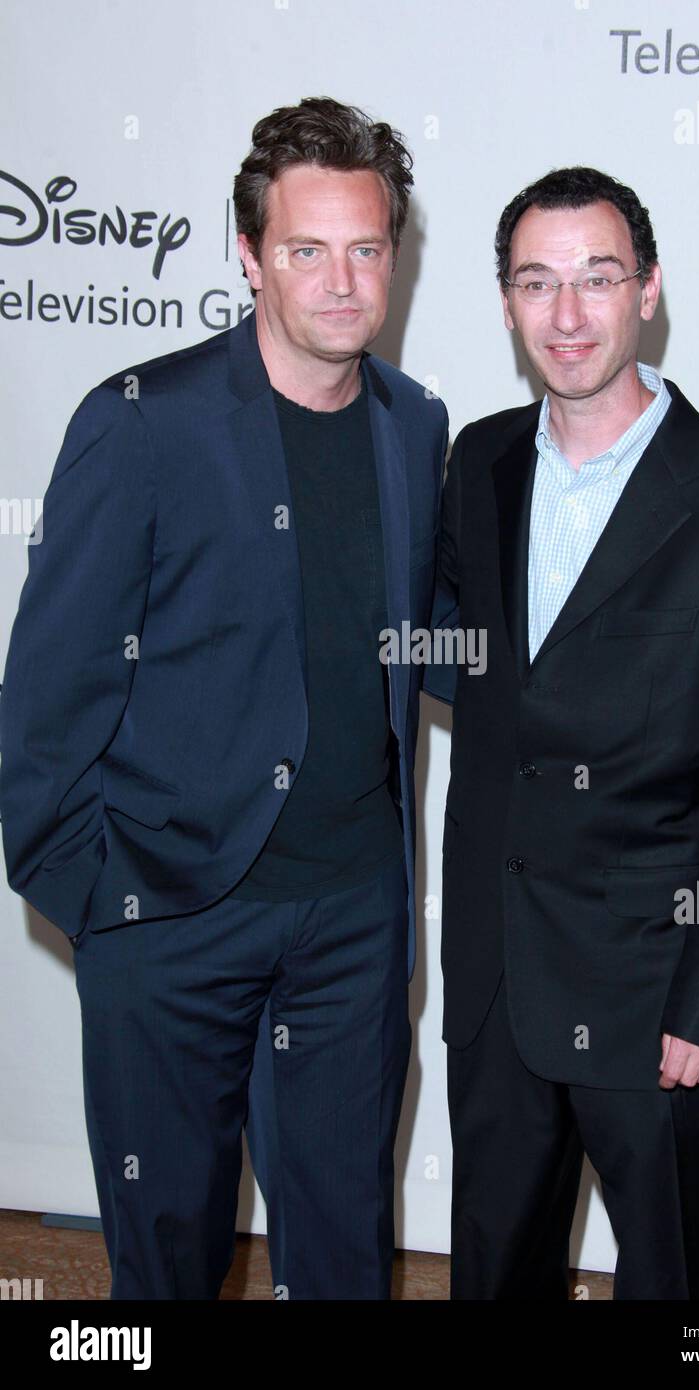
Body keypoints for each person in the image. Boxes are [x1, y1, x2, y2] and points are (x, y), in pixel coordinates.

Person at [0, 96, 448, 1300]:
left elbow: (422, 639)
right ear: (248, 255)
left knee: (343, 1255)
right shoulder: (143, 424)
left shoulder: (414, 427)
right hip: (170, 916)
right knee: (167, 1263)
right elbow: (47, 693)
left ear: (393, 255)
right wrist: (100, 905)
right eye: (306, 249)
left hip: (352, 923)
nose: (341, 282)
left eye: (364, 248)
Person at [424, 166, 699, 1299]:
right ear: (506, 301)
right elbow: (479, 666)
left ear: (648, 290)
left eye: (596, 279)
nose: (566, 314)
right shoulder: (479, 463)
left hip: (656, 998)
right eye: (535, 282)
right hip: (498, 986)